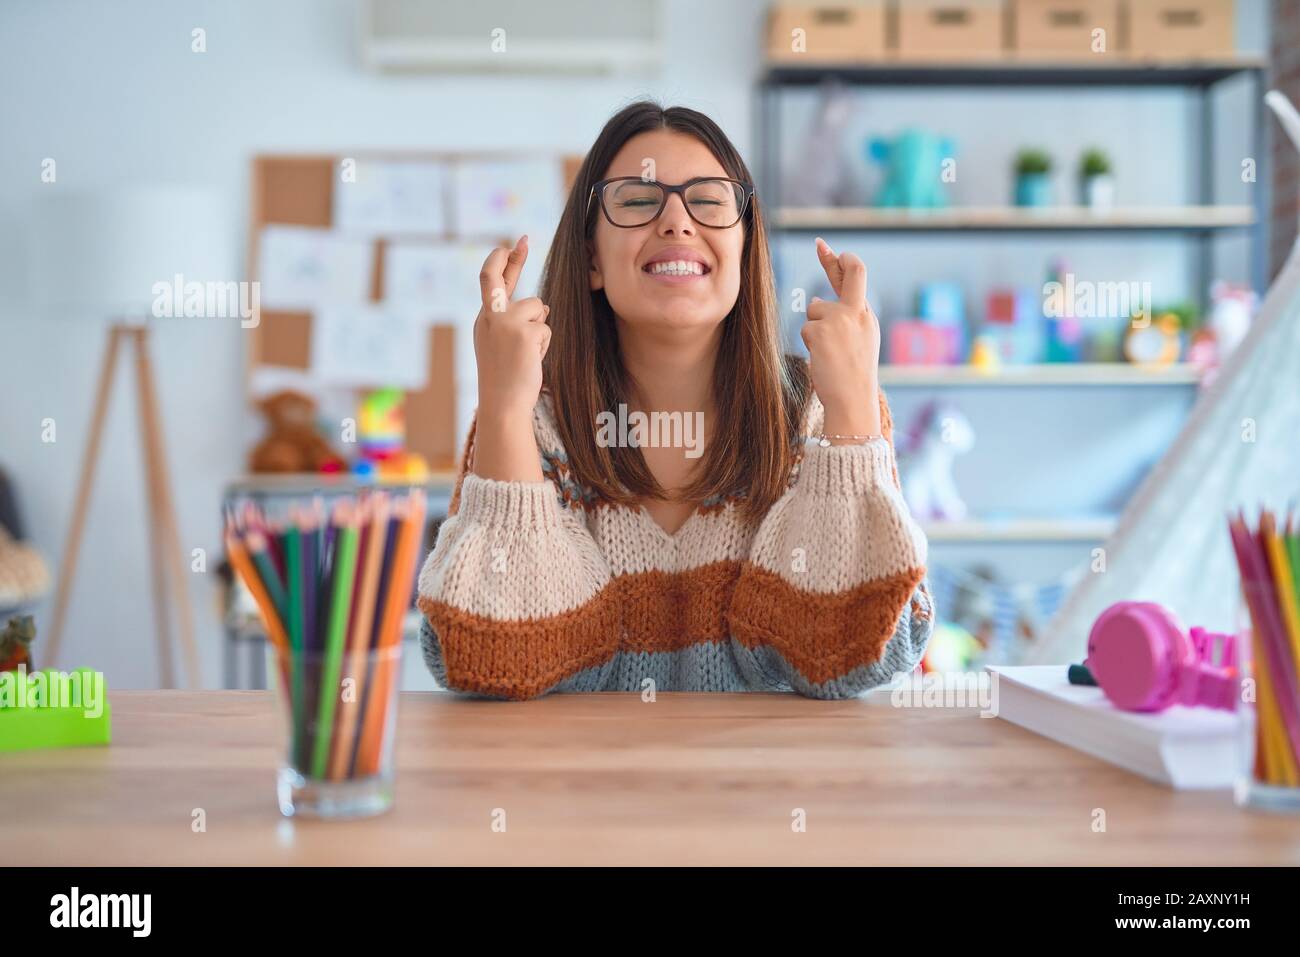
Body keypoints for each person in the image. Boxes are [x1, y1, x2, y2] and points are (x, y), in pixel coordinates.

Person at [417, 101, 932, 700]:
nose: (676, 222)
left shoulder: (820, 415)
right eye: (638, 201)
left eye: (708, 201)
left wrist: (850, 412)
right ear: (591, 259)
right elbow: (488, 659)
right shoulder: (533, 426)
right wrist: (504, 410)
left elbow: (864, 654)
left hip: (769, 791)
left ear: (745, 248)